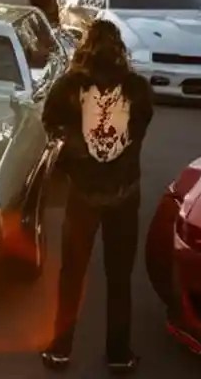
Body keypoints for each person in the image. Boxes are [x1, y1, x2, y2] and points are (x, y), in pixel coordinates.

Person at [41, 20, 154, 373]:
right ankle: (118, 354)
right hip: (124, 193)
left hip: (83, 193)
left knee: (71, 274)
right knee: (119, 277)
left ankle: (60, 349)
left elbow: (50, 123)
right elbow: (141, 128)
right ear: (120, 48)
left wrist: (75, 157)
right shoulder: (137, 88)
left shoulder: (69, 86)